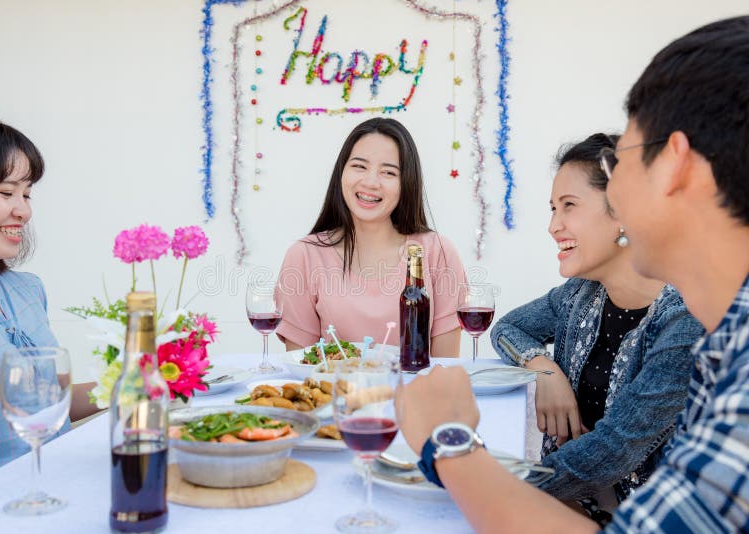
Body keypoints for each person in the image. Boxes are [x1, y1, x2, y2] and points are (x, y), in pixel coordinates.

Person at [395, 16, 749, 532]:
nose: (553, 225)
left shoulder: (709, 336)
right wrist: (542, 368)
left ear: (675, 164)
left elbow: (617, 462)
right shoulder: (723, 329)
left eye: (620, 161)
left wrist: (451, 445)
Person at [490, 133, 702, 517]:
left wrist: (485, 483)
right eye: (553, 208)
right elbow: (507, 328)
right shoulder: (580, 294)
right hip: (574, 505)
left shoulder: (685, 320)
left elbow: (613, 452)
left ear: (623, 210)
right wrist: (543, 368)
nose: (553, 225)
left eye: (568, 206)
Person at [0, 109, 99, 491]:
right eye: (6, 192)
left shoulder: (27, 290)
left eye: (27, 193)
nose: (25, 210)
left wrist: (132, 383)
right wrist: (36, 499)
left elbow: (47, 406)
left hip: (60, 487)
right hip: (2, 506)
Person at [276, 117, 465, 354]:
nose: (371, 182)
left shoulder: (438, 252)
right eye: (359, 166)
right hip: (334, 381)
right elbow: (302, 365)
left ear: (406, 183)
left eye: (388, 172)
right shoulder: (304, 255)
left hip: (417, 381)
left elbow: (445, 367)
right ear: (341, 172)